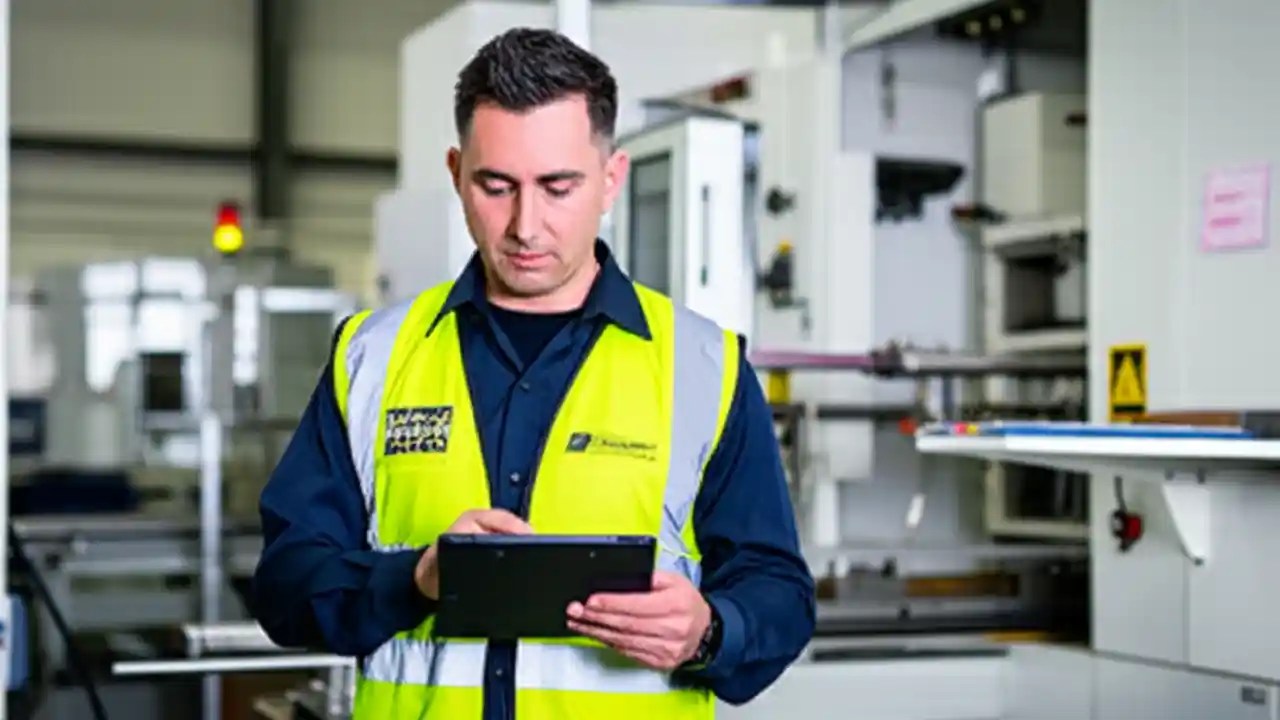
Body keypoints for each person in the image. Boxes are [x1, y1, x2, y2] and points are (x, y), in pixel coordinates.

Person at [251, 26, 815, 720]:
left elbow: (780, 595)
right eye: (496, 186)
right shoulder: (371, 356)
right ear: (457, 173)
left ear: (612, 180)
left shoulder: (706, 368)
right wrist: (415, 578)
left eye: (558, 187)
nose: (526, 225)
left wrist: (709, 630)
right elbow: (284, 586)